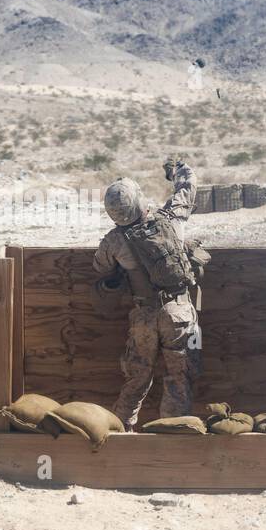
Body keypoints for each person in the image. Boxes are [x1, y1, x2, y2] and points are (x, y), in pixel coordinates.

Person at [93, 159, 204, 429]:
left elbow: (100, 267)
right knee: (179, 377)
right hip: (178, 313)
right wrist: (178, 170)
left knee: (137, 377)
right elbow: (188, 188)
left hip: (143, 317)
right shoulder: (171, 219)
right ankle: (173, 435)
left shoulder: (114, 240)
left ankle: (120, 433)